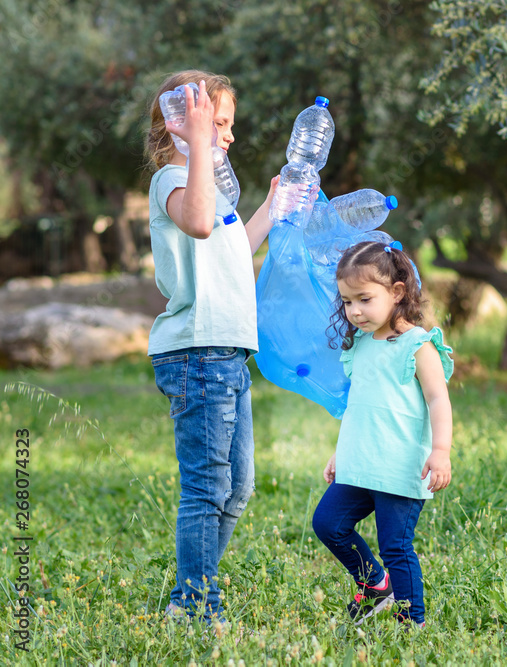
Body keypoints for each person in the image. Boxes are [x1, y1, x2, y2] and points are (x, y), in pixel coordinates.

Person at [145, 69, 278, 626]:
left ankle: (186, 593)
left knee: (237, 487)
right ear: (181, 124)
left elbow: (230, 249)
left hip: (227, 353)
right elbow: (198, 224)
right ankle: (197, 606)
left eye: (227, 126)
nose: (227, 137)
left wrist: (271, 207)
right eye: (217, 123)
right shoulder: (173, 181)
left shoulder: (212, 189)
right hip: (197, 352)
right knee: (206, 486)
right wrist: (199, 145)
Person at [312, 241, 454, 628]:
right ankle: (375, 583)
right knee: (328, 523)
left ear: (396, 292)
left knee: (396, 546)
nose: (354, 311)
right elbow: (360, 405)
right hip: (361, 462)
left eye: (364, 299)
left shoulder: (417, 345)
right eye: (346, 302)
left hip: (400, 468)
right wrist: (342, 452)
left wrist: (441, 450)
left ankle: (413, 622)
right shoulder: (358, 344)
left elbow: (438, 400)